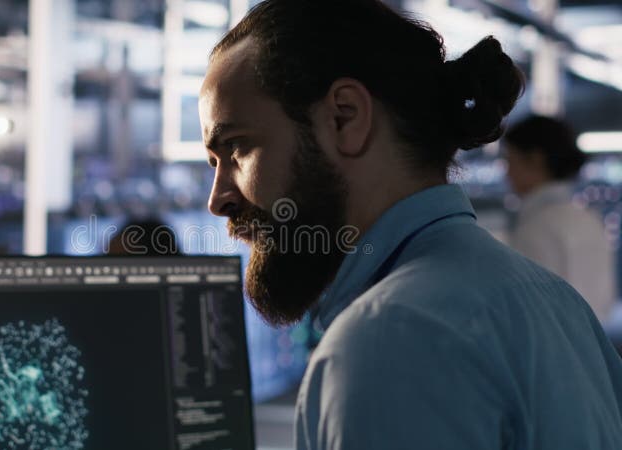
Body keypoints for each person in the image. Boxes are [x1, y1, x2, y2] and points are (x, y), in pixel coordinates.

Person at [198, 1, 622, 449]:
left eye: (236, 147)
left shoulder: (388, 340)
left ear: (345, 118)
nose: (217, 200)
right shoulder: (554, 301)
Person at [504, 115, 616, 324]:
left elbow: (533, 312)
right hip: (594, 338)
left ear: (536, 159)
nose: (507, 173)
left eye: (510, 161)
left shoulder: (537, 226)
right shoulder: (590, 219)